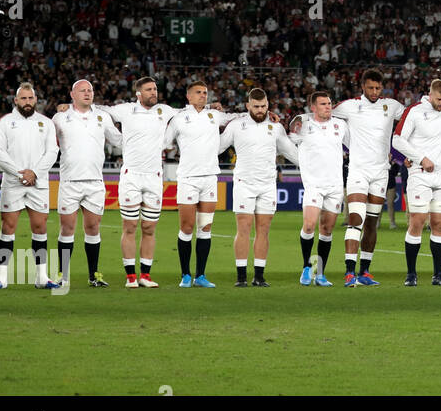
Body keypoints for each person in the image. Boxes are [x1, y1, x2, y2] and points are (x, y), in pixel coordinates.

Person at [94, 77, 177, 288]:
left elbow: (190, 114)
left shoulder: (165, 111)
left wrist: (213, 108)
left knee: (149, 227)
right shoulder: (125, 110)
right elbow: (102, 110)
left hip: (154, 177)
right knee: (130, 226)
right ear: (138, 94)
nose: (153, 92)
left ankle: (145, 275)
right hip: (131, 176)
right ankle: (130, 276)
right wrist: (72, 107)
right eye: (149, 89)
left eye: (155, 89)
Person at [219, 88, 299, 287]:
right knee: (243, 228)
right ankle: (241, 277)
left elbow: (291, 152)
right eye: (256, 106)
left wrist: (312, 165)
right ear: (248, 106)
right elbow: (217, 147)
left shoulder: (276, 127)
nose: (260, 110)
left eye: (263, 106)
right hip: (244, 183)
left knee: (263, 230)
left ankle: (259, 276)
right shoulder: (237, 125)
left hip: (267, 184)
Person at [332, 69, 405, 286]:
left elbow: (413, 119)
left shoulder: (391, 106)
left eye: (378, 88)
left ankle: (364, 271)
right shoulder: (350, 106)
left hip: (381, 172)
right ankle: (348, 271)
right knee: (356, 219)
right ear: (362, 86)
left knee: (372, 222)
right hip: (358, 170)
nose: (374, 92)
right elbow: (323, 114)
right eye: (370, 88)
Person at [163, 81, 237, 288]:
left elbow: (237, 117)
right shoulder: (178, 119)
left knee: (205, 228)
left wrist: (262, 114)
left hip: (210, 178)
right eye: (198, 92)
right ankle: (185, 274)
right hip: (188, 178)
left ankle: (201, 275)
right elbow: (164, 142)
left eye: (205, 92)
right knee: (186, 228)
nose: (203, 95)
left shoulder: (214, 115)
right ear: (188, 96)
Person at [0, 83, 59, 289]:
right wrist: (20, 173)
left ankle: (42, 277)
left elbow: (52, 151)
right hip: (13, 182)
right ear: (16, 101)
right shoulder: (5, 121)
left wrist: (34, 173)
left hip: (38, 183)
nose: (27, 102)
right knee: (8, 227)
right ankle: (1, 276)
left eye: (30, 98)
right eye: (23, 98)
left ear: (35, 100)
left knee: (40, 227)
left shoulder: (46, 123)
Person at [52, 79, 121, 287]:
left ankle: (94, 275)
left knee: (93, 227)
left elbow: (119, 140)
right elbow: (46, 141)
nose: (87, 93)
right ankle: (62, 275)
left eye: (90, 90)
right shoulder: (60, 117)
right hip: (69, 181)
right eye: (82, 90)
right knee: (67, 228)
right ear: (72, 94)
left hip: (94, 182)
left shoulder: (102, 116)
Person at [391, 80, 441, 286]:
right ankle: (411, 274)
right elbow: (397, 140)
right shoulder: (415, 111)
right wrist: (421, 158)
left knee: (439, 224)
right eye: (439, 99)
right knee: (418, 221)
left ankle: (438, 274)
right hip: (420, 174)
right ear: (430, 95)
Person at [288, 91, 349, 287]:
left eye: (329, 103)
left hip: (335, 185)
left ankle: (320, 273)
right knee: (309, 225)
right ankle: (306, 267)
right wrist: (298, 119)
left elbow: (354, 146)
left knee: (327, 229)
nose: (328, 106)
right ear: (313, 107)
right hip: (314, 184)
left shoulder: (341, 126)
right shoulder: (304, 126)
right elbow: (290, 132)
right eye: (323, 104)